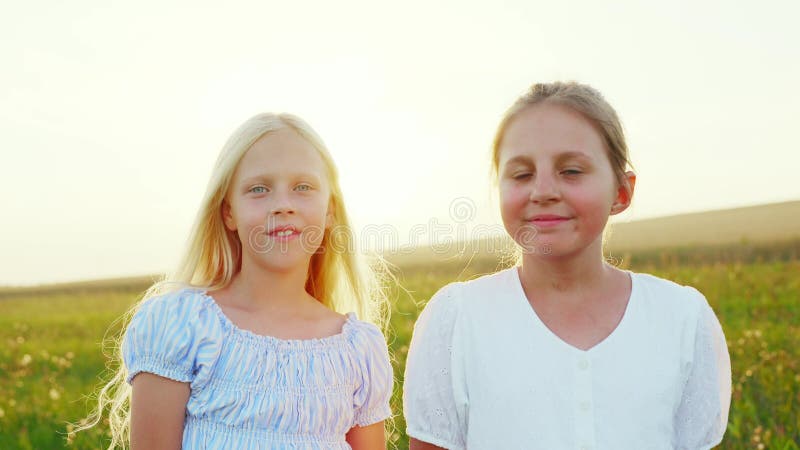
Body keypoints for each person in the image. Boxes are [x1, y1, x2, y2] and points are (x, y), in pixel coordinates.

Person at [403, 82, 731, 450]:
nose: (542, 191)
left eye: (572, 171)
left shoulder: (682, 318)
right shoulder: (457, 319)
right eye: (521, 174)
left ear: (621, 192)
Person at [78, 113, 393, 449]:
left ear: (330, 210)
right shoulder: (183, 327)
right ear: (229, 212)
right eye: (259, 189)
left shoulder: (358, 350)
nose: (283, 205)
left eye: (303, 187)